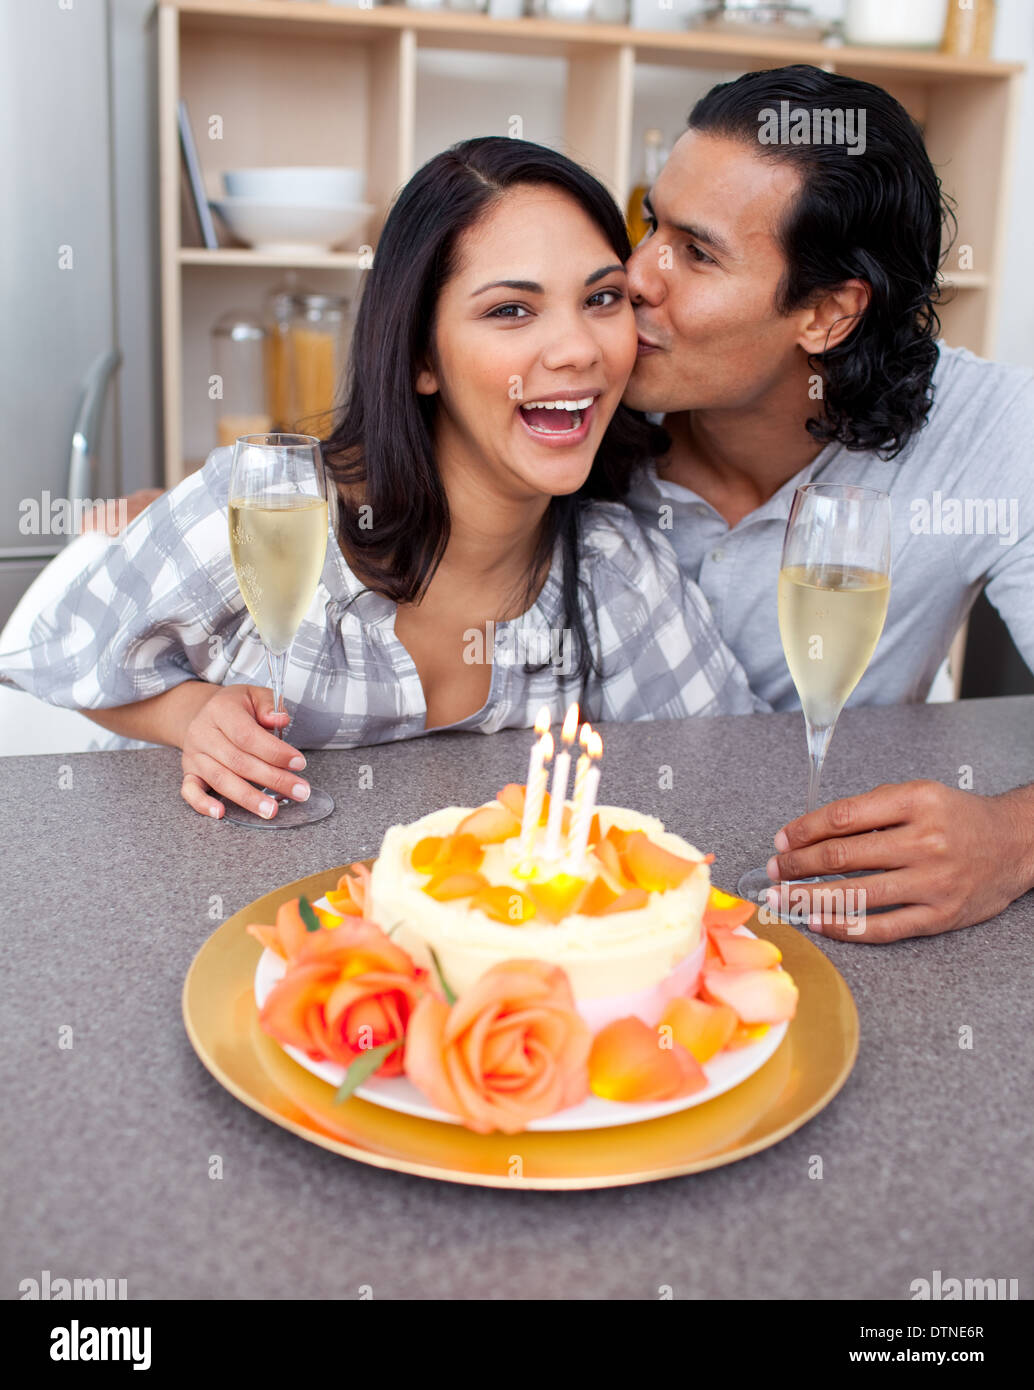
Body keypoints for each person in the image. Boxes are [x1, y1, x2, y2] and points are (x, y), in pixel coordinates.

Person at [0, 137, 764, 822]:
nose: (576, 350)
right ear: (421, 359)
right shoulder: (272, 506)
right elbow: (59, 655)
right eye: (510, 310)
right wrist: (190, 713)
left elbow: (734, 770)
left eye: (601, 299)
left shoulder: (614, 571)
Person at [622, 64, 1034, 941]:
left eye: (695, 253)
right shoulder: (577, 392)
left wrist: (1011, 838)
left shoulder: (993, 433)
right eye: (650, 224)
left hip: (823, 905)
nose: (633, 277)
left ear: (827, 315)